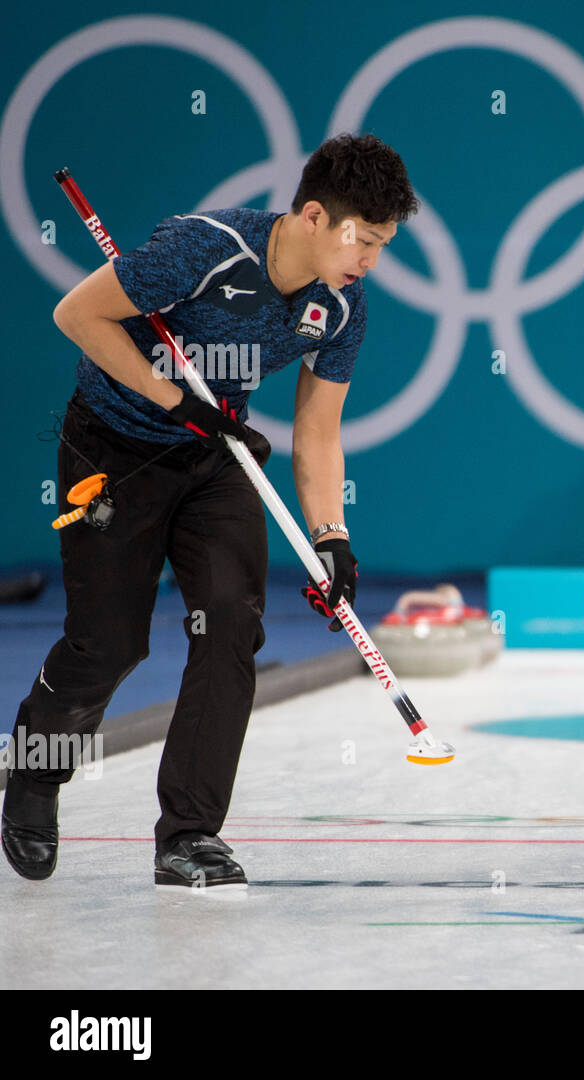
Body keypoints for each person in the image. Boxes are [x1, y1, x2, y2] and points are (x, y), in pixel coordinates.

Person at [2, 133, 418, 890]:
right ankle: (34, 771)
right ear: (316, 216)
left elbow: (318, 431)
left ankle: (188, 834)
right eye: (365, 239)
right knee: (109, 645)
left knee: (230, 624)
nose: (371, 262)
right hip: (112, 452)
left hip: (214, 461)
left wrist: (332, 538)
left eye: (385, 245)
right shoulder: (203, 249)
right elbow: (78, 317)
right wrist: (178, 402)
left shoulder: (342, 305)